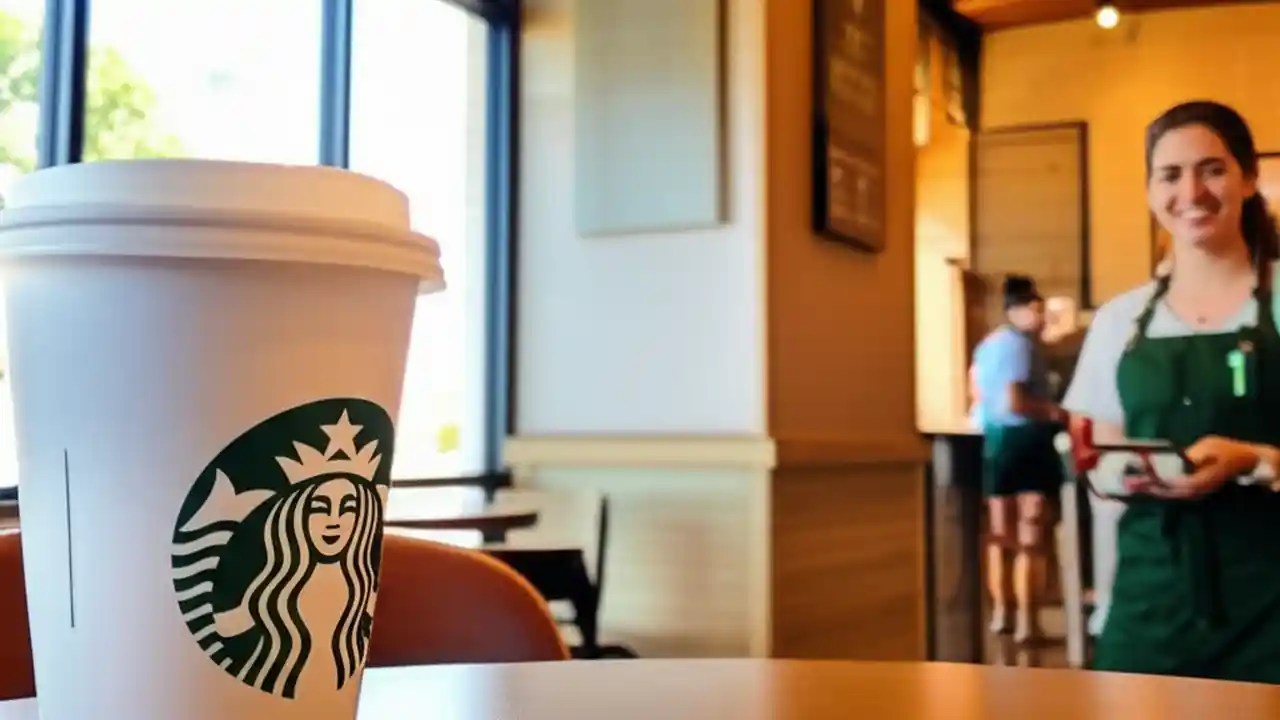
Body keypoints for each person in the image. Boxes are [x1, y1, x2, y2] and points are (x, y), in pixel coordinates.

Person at [1063, 100, 1280, 682]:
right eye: (1170, 174)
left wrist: (1253, 460)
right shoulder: (1120, 321)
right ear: (1150, 192)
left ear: (1249, 179)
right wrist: (1129, 471)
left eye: (1212, 169)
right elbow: (1096, 447)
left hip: (1270, 607)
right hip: (1148, 605)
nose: (1192, 192)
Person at [970, 274, 1067, 643]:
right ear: (1016, 311)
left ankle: (1000, 614)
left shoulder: (987, 345)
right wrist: (1056, 412)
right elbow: (1016, 401)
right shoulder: (1021, 347)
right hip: (1027, 439)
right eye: (1036, 311)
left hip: (994, 439)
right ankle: (1028, 623)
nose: (1040, 319)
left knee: (999, 534)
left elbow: (977, 393)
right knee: (1031, 534)